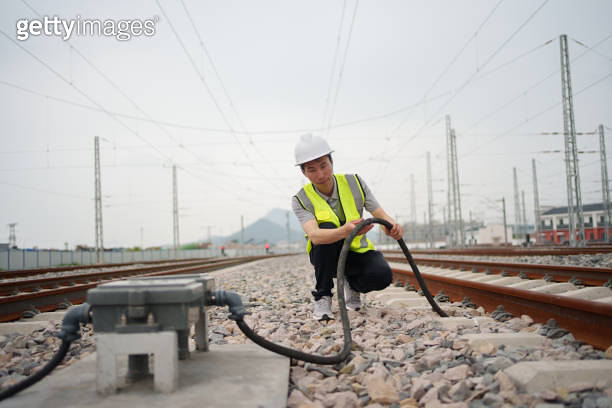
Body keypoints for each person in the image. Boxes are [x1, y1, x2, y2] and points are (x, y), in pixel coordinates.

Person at [291, 133, 404, 321]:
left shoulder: (355, 183)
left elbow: (380, 214)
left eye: (324, 166)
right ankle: (323, 296)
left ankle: (352, 285)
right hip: (326, 258)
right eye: (312, 170)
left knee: (382, 276)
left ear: (331, 162)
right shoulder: (301, 200)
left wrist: (391, 225)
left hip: (356, 253)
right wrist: (345, 231)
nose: (320, 174)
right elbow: (315, 236)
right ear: (304, 172)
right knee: (325, 228)